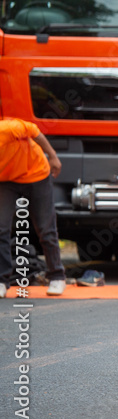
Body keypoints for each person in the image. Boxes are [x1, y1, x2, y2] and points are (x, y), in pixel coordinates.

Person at [0, 118, 67, 297]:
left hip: (36, 174)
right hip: (6, 180)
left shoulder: (9, 128)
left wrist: (52, 156)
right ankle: (2, 280)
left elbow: (34, 131)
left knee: (45, 228)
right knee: (1, 228)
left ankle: (57, 277)